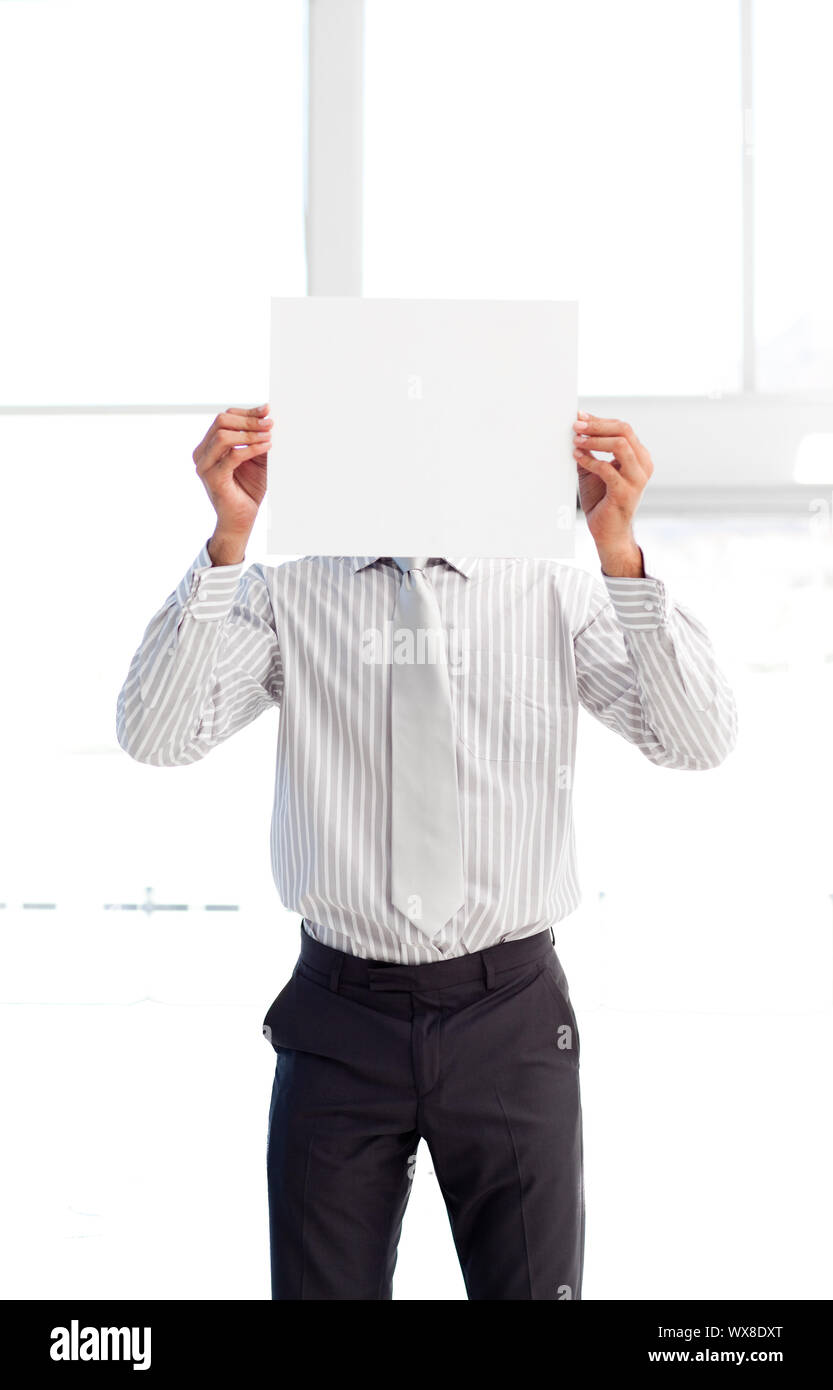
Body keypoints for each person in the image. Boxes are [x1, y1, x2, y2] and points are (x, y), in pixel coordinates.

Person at [116, 402, 737, 1300]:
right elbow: (156, 735)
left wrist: (620, 558)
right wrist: (228, 543)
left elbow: (697, 740)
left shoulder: (555, 592)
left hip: (510, 1015)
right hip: (338, 1015)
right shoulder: (285, 593)